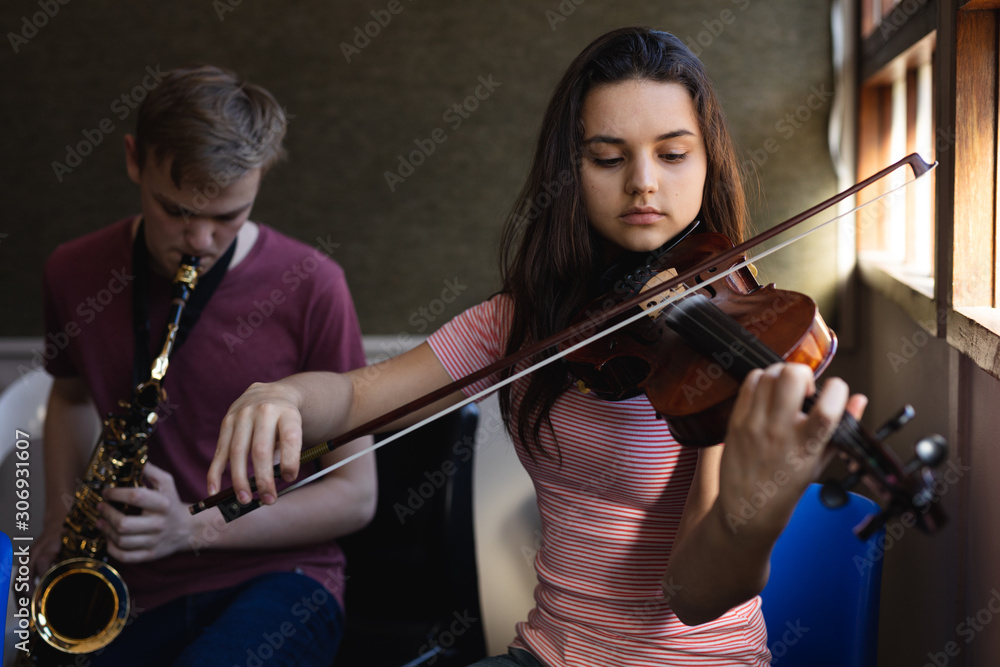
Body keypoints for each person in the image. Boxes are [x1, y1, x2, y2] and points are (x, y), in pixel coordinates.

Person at [210, 28, 865, 666]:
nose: (643, 182)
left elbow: (694, 597)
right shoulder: (526, 323)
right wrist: (286, 394)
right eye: (608, 157)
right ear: (568, 172)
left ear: (708, 161)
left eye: (672, 154)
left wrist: (755, 512)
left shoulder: (735, 351)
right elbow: (357, 396)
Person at [36, 64, 376, 666]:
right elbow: (70, 396)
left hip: (280, 579)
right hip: (128, 586)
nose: (199, 240)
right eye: (176, 210)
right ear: (134, 159)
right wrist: (62, 518)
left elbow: (356, 497)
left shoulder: (314, 286)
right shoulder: (72, 270)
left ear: (261, 178)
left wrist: (192, 529)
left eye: (227, 217)